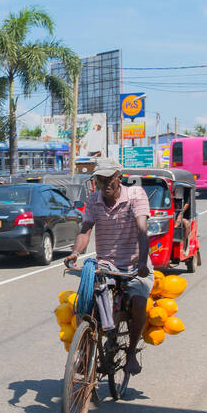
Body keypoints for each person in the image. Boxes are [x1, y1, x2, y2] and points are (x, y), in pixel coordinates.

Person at [65, 159, 152, 375]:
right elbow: (86, 230)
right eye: (100, 180)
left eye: (108, 179)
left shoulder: (136, 195)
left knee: (139, 302)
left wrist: (142, 262)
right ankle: (86, 351)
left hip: (133, 264)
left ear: (119, 178)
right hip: (106, 264)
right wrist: (76, 253)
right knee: (86, 304)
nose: (105, 184)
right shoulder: (93, 200)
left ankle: (131, 352)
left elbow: (142, 230)